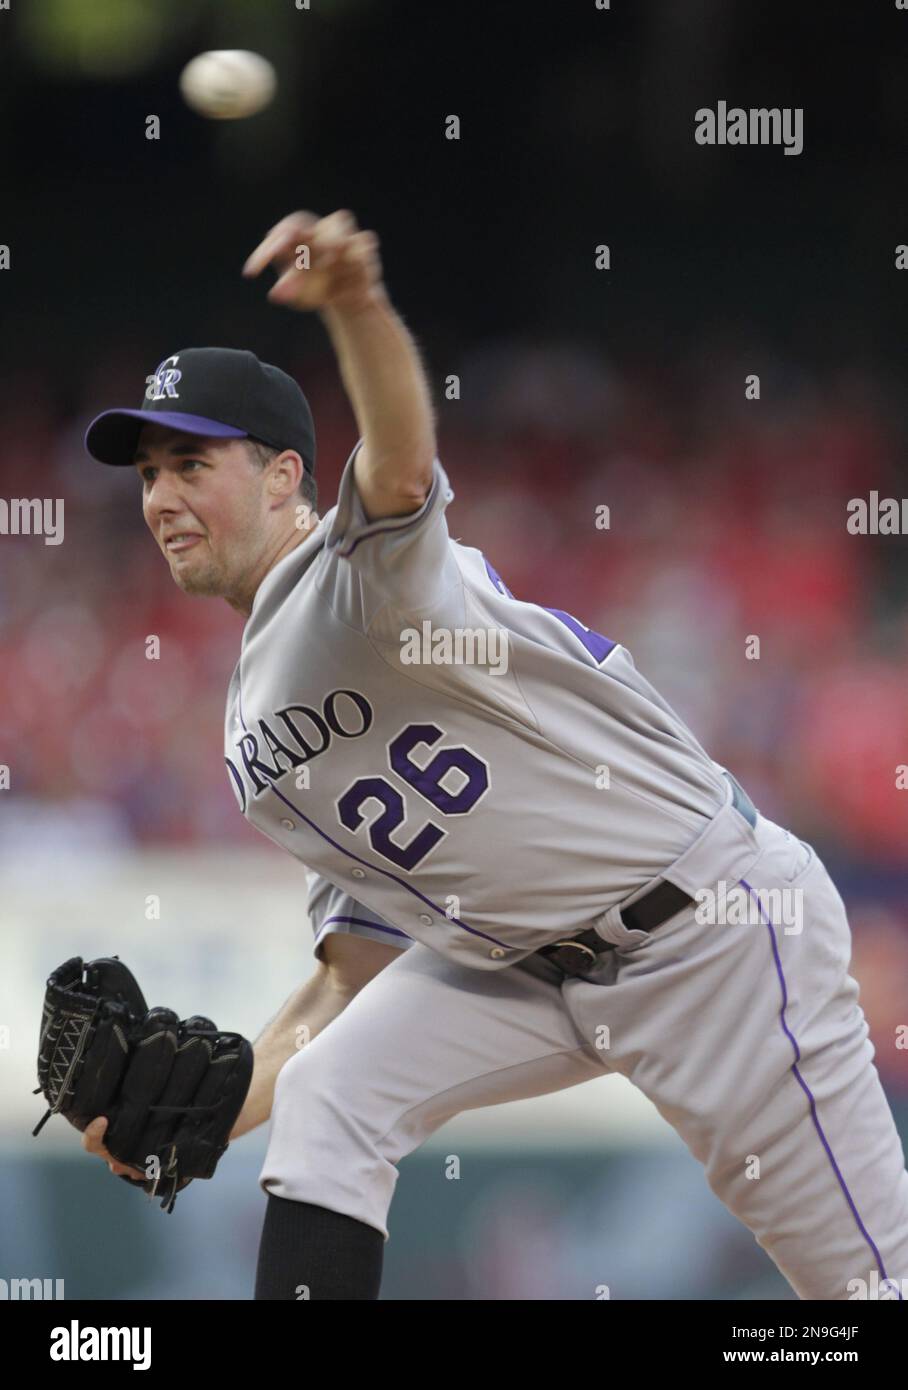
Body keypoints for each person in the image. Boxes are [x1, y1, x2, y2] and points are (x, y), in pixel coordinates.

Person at [82, 208, 908, 1301]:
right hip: (525, 968)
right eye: (146, 472)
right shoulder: (250, 740)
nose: (160, 497)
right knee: (331, 1094)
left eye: (190, 462)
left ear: (285, 477)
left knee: (863, 1294)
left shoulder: (354, 576)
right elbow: (354, 963)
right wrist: (197, 1119)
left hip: (712, 935)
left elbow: (399, 454)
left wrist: (358, 308)